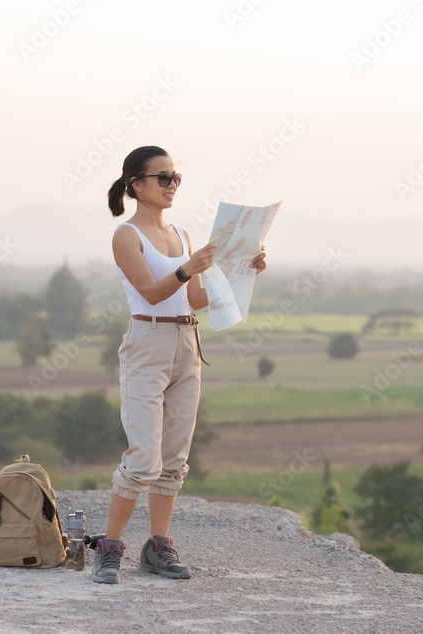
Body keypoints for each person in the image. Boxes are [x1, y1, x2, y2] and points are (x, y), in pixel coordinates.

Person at [91, 146, 266, 584]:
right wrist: (188, 269)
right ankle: (109, 549)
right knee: (144, 457)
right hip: (147, 341)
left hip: (187, 340)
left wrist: (244, 269)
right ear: (137, 185)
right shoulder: (126, 235)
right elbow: (151, 292)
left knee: (174, 458)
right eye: (163, 177)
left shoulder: (184, 235)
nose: (172, 185)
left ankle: (157, 547)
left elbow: (193, 300)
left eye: (176, 178)